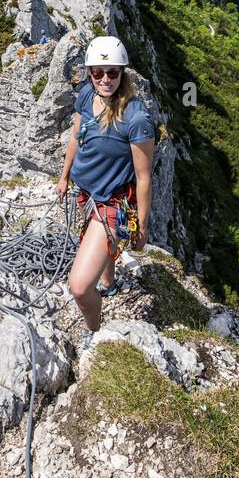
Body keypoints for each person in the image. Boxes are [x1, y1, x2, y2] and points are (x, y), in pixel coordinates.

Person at [56, 36, 155, 352]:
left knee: (80, 286)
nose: (105, 79)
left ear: (122, 72)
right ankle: (109, 284)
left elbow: (143, 177)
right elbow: (76, 136)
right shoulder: (86, 96)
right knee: (97, 255)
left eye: (112, 72)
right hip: (86, 194)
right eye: (98, 72)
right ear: (90, 73)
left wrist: (141, 225)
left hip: (111, 203)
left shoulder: (136, 119)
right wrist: (64, 177)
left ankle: (94, 331)